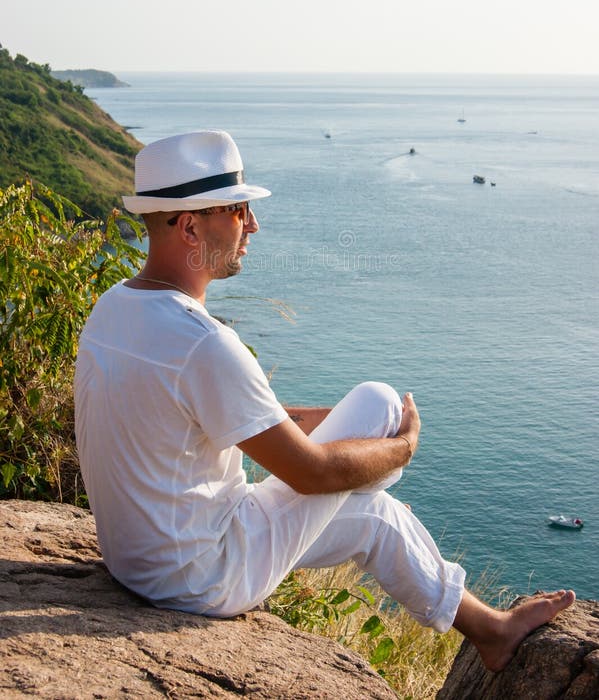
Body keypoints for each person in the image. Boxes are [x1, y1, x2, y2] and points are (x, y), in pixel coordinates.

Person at [74, 130, 574, 673]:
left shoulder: (112, 309)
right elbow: (312, 474)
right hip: (204, 576)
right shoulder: (204, 343)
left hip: (140, 562)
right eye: (239, 210)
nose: (253, 225)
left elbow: (242, 417)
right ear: (191, 226)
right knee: (380, 403)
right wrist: (401, 448)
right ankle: (370, 480)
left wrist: (351, 458)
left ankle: (492, 631)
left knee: (375, 517)